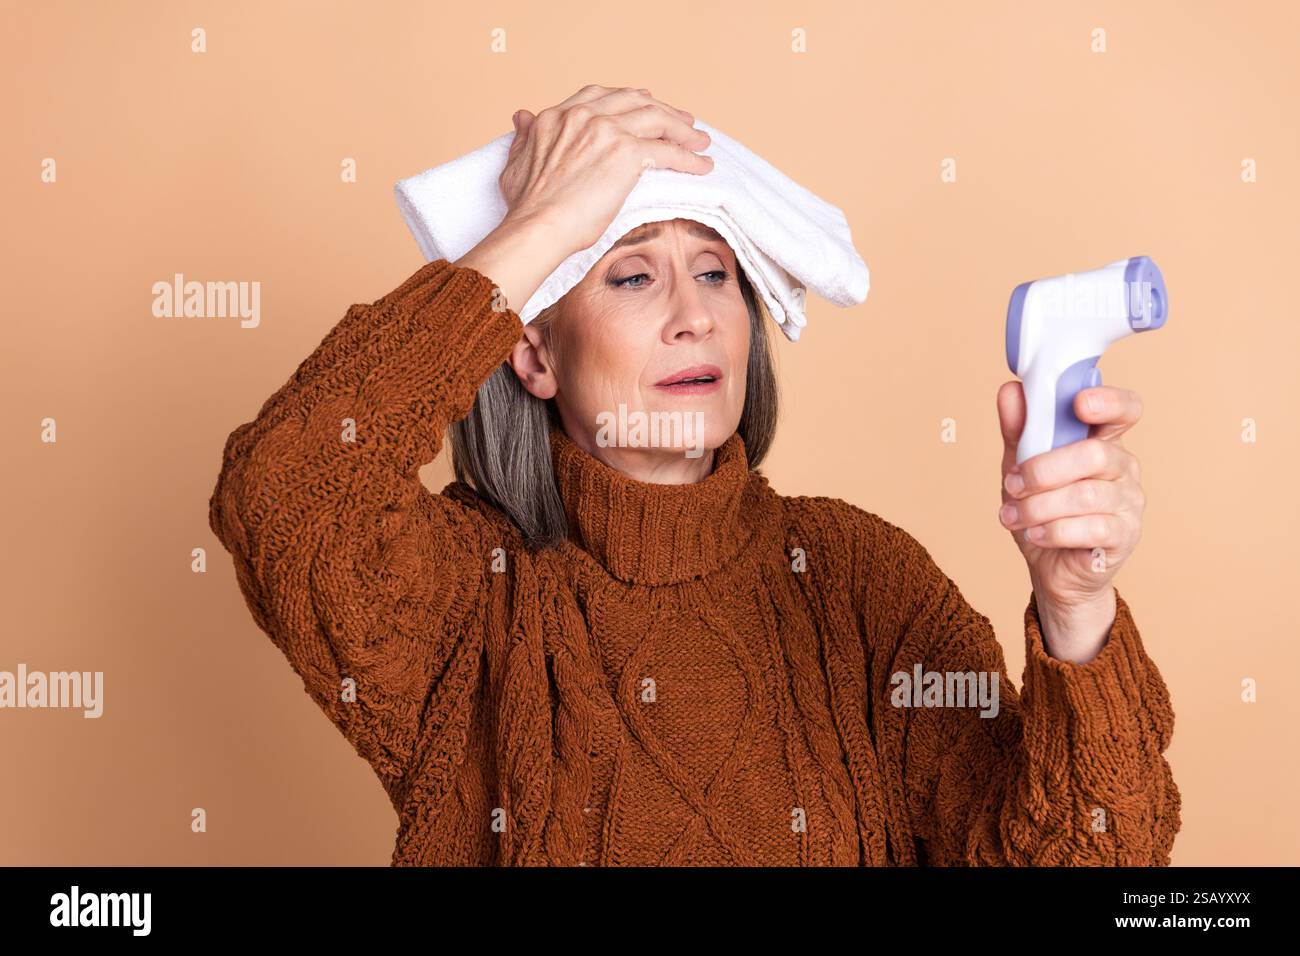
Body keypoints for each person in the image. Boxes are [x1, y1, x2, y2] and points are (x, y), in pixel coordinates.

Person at [208, 84, 1181, 866]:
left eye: (716, 271)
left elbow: (1091, 856)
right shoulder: (470, 596)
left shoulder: (857, 580)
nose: (695, 313)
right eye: (631, 275)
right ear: (533, 353)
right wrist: (540, 223)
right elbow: (285, 491)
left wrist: (1073, 608)